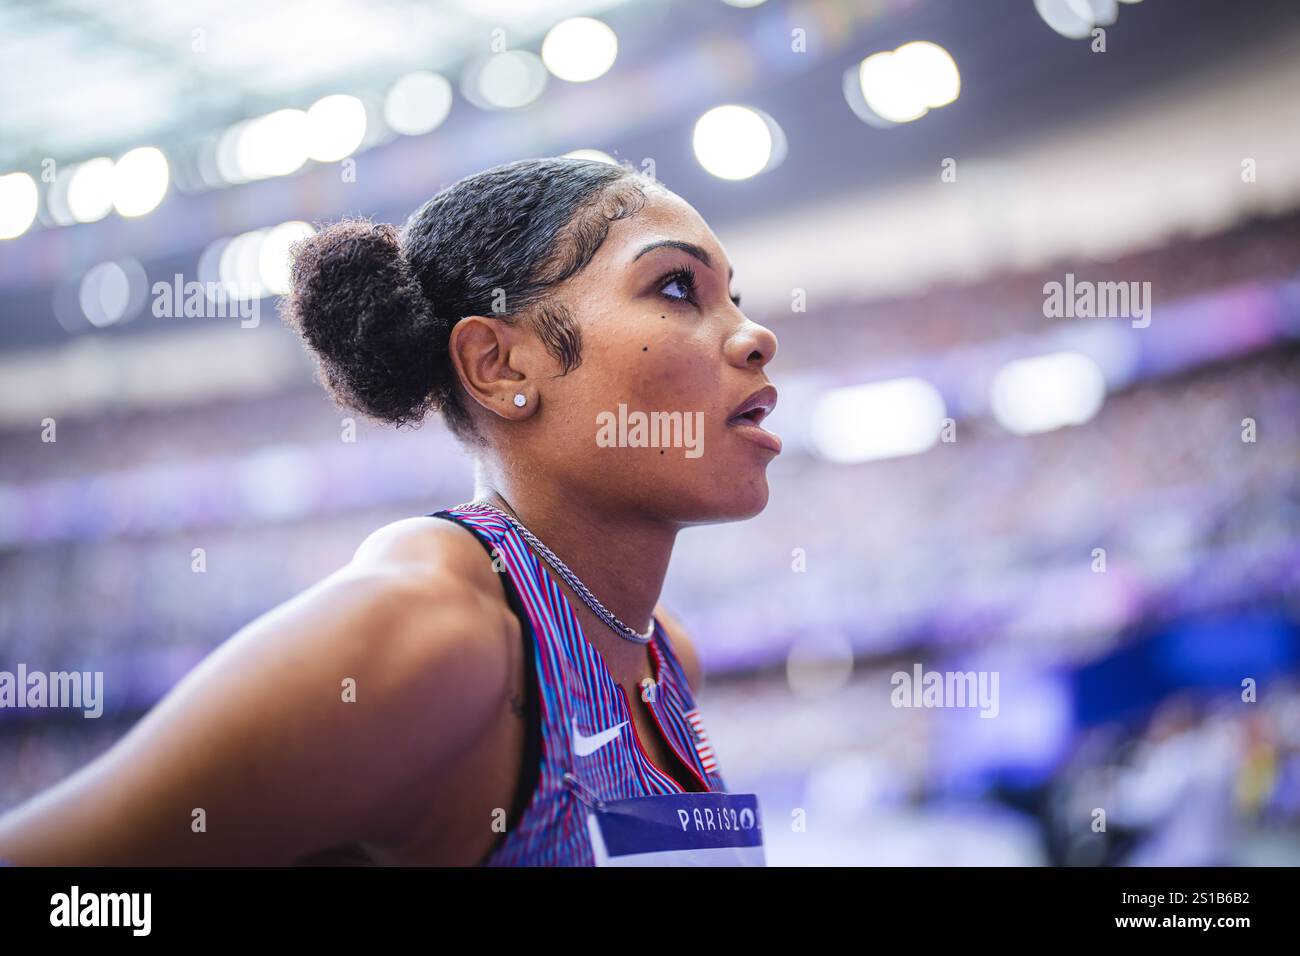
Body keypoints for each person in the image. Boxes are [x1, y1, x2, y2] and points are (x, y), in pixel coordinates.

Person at [0, 156, 780, 865]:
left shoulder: (664, 652)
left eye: (733, 297)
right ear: (499, 364)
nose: (756, 335)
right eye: (677, 287)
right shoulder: (427, 635)